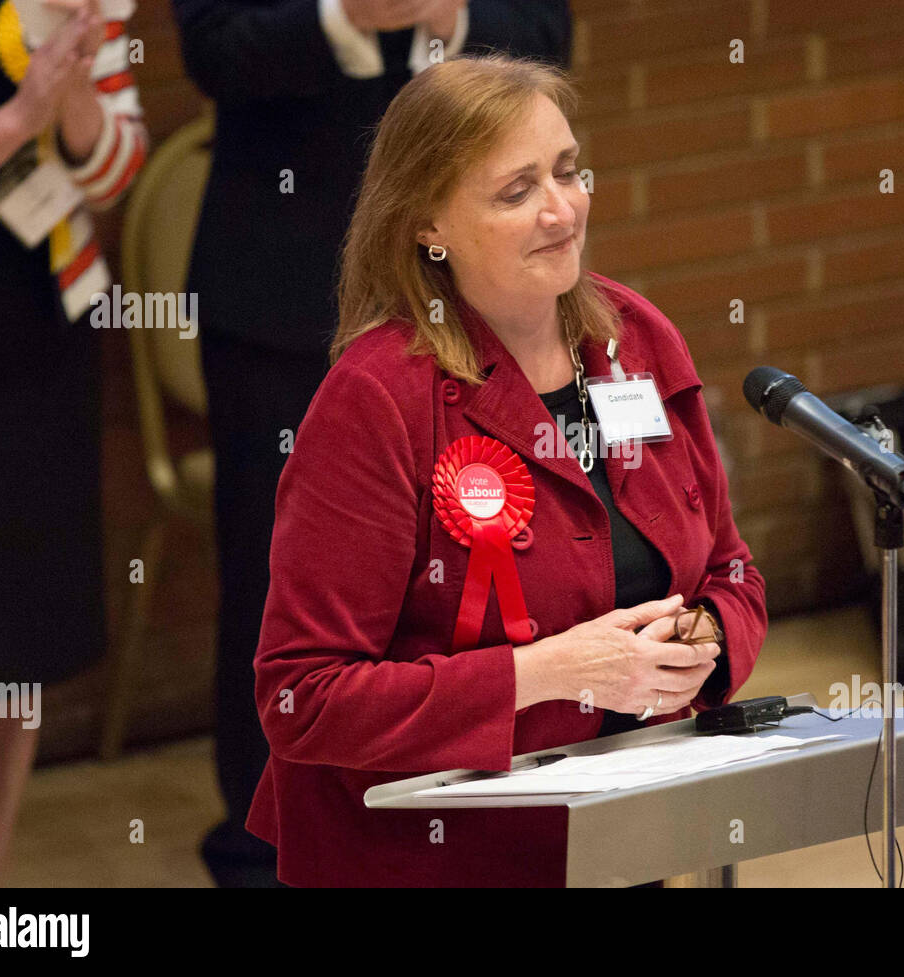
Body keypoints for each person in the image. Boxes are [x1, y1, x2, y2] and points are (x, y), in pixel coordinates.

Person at [245, 53, 768, 887]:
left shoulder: (635, 338)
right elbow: (302, 696)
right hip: (423, 858)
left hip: (618, 832)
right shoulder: (377, 399)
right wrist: (550, 672)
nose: (562, 211)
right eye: (516, 191)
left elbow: (733, 573)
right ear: (428, 225)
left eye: (568, 171)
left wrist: (707, 638)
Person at [171, 0, 572, 887]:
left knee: (494, 552)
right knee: (271, 581)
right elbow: (215, 50)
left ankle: (466, 818)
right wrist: (346, 17)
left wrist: (449, 15)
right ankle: (264, 849)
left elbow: (545, 33)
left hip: (471, 287)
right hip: (282, 287)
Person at [0, 0, 145, 886]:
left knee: (12, 661)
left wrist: (68, 100)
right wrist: (14, 123)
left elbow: (115, 166)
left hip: (39, 333)